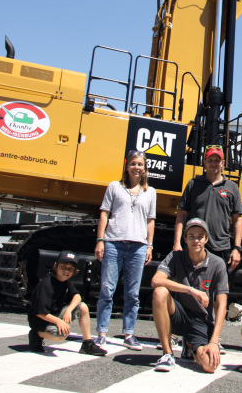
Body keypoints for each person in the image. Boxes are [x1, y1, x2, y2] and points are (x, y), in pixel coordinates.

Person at [94, 150, 156, 350]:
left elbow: (150, 220)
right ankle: (101, 333)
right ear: (127, 166)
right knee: (107, 289)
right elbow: (104, 214)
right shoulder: (114, 187)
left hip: (138, 246)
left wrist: (149, 245)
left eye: (140, 164)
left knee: (133, 293)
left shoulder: (150, 192)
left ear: (144, 168)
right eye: (133, 164)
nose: (136, 167)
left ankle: (129, 334)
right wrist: (100, 240)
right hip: (114, 243)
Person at [151, 218, 229, 373]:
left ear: (206, 239)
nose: (196, 240)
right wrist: (191, 290)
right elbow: (156, 280)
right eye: (191, 236)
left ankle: (190, 344)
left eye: (200, 236)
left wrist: (214, 341)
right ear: (185, 239)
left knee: (210, 365)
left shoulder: (218, 263)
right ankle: (167, 354)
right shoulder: (175, 257)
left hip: (201, 320)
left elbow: (222, 305)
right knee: (160, 292)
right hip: (179, 314)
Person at [174, 145, 242, 270]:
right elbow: (182, 215)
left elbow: (237, 220)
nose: (213, 163)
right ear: (204, 162)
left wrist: (237, 248)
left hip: (221, 247)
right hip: (195, 245)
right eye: (210, 160)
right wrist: (177, 243)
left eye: (217, 160)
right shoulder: (193, 184)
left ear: (223, 163)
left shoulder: (232, 187)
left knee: (218, 282)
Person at [27, 250, 108, 356]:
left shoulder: (65, 280)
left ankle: (87, 344)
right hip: (41, 320)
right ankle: (36, 334)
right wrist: (59, 322)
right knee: (61, 335)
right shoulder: (46, 285)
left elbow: (77, 296)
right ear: (55, 266)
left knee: (82, 307)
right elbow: (40, 313)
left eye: (70, 269)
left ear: (75, 271)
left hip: (55, 314)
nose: (66, 271)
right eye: (63, 267)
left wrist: (69, 310)